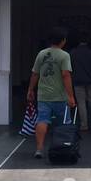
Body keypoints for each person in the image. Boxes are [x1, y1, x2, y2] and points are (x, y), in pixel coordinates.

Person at [26, 25, 75, 159]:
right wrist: (70, 96)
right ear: (63, 40)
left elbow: (35, 74)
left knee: (42, 120)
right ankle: (63, 146)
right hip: (60, 97)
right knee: (64, 124)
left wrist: (30, 89)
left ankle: (39, 149)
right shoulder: (64, 56)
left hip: (43, 96)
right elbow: (66, 75)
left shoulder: (41, 54)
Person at [69, 37, 91, 130]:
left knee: (81, 103)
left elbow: (70, 66)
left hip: (78, 81)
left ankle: (84, 125)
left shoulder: (73, 53)